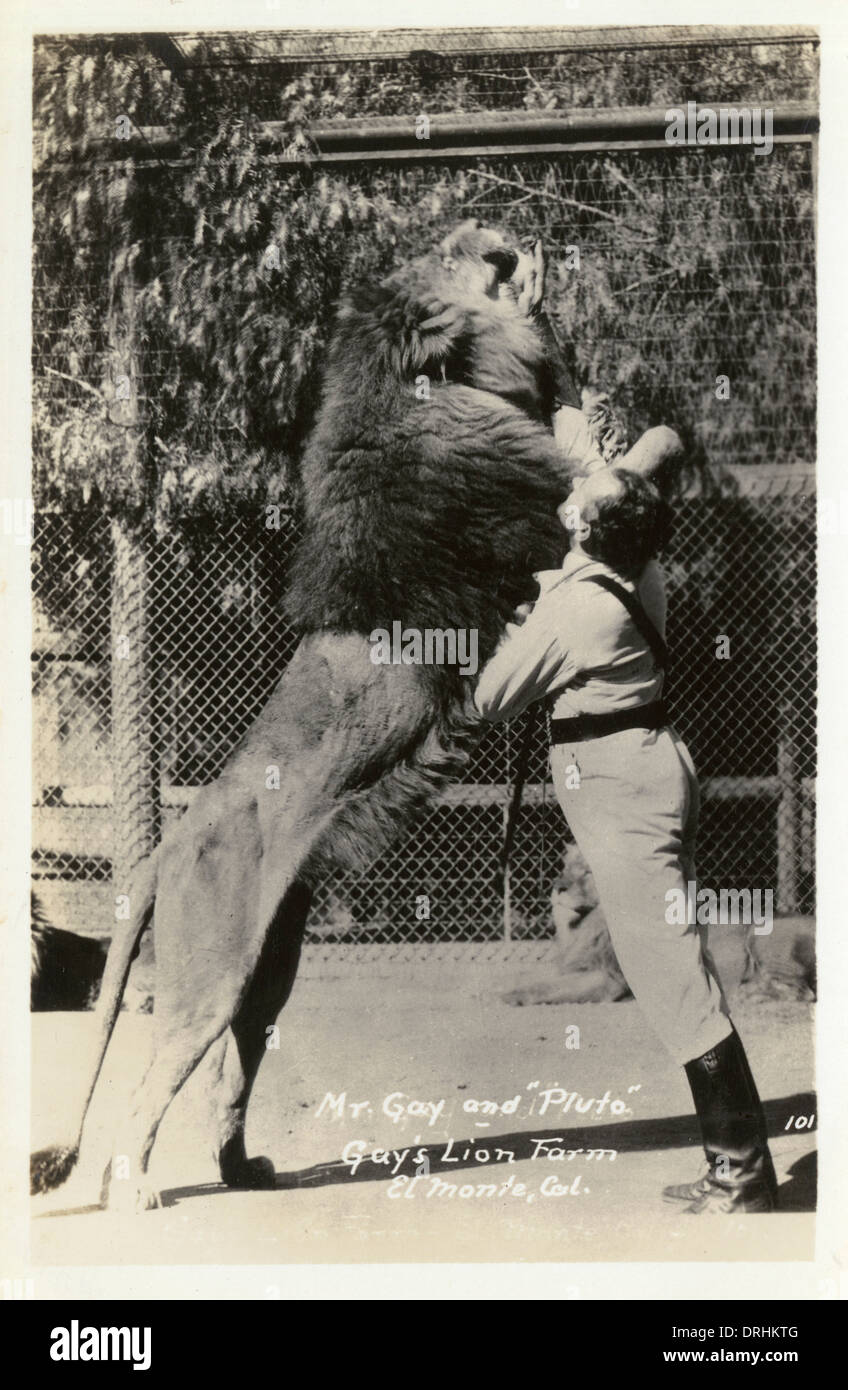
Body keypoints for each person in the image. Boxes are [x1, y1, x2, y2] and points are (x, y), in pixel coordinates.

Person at [474, 461, 779, 1214]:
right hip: (649, 769)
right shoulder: (643, 571)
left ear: (584, 528)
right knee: (672, 966)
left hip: (622, 792)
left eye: (584, 495)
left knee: (673, 977)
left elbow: (489, 699)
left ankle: (741, 1174)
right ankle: (735, 1165)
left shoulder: (579, 611)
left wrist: (517, 629)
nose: (573, 491)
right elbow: (582, 576)